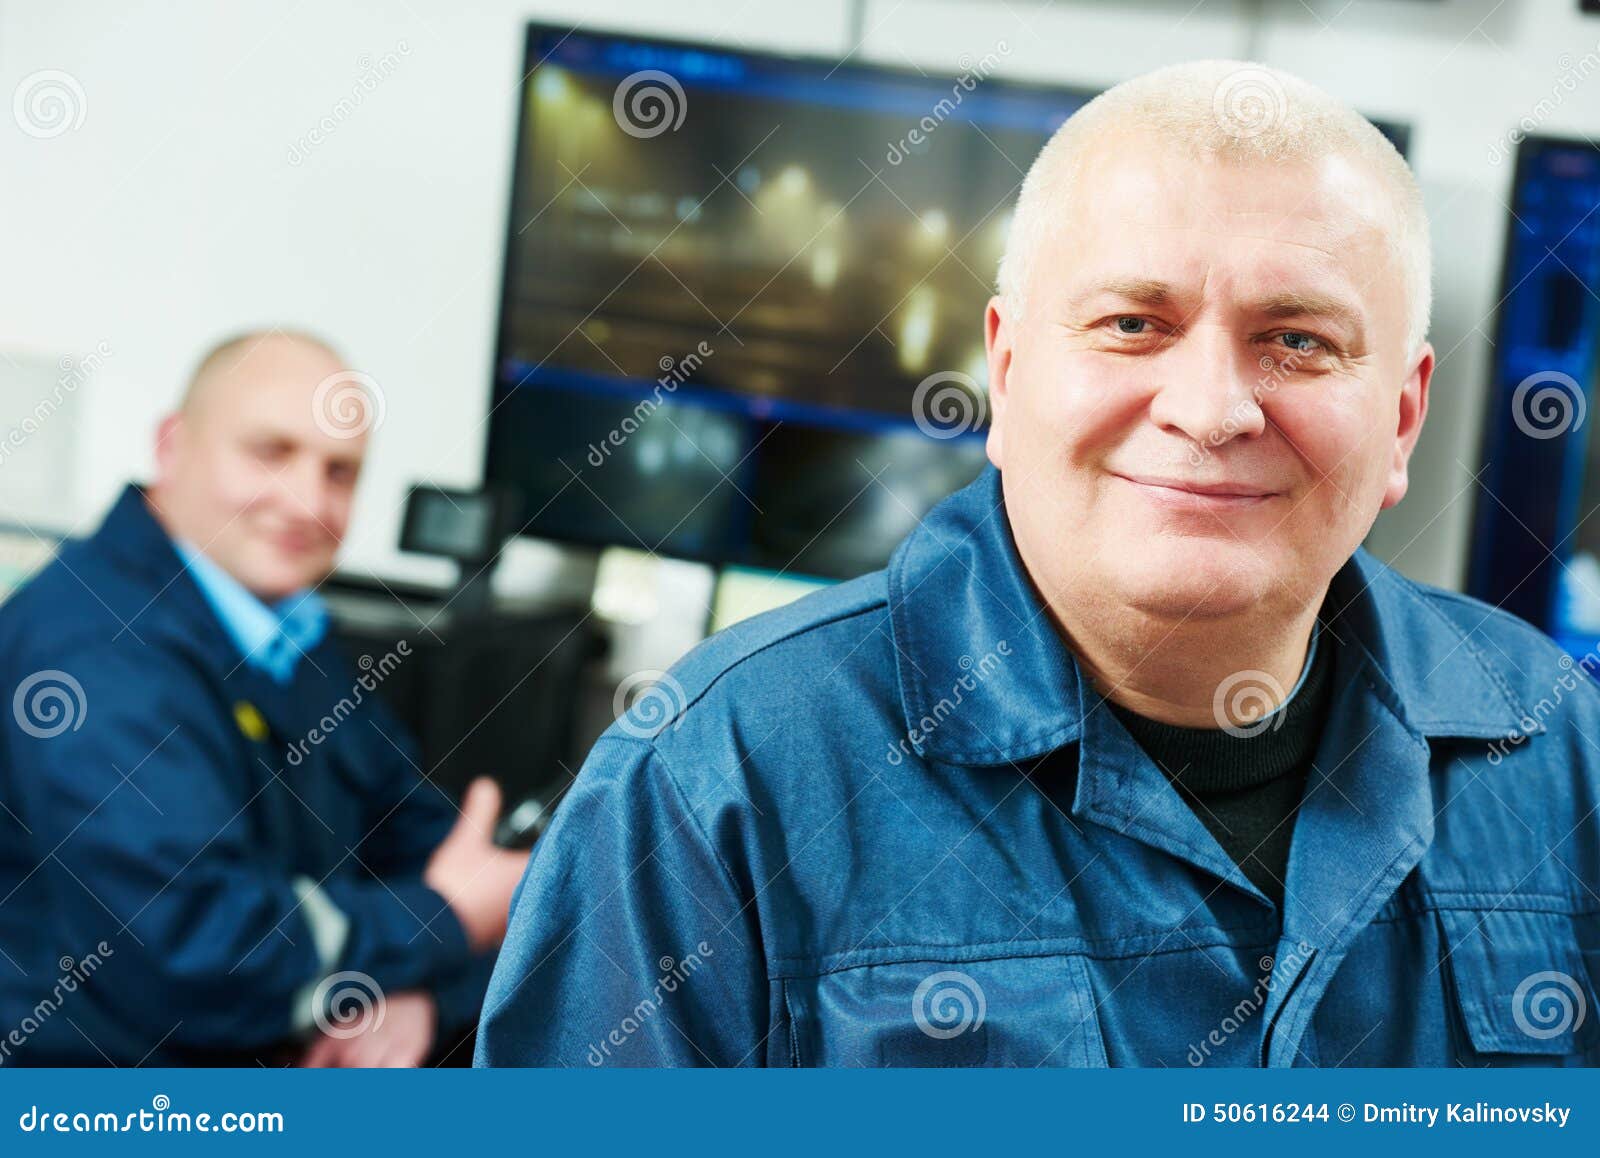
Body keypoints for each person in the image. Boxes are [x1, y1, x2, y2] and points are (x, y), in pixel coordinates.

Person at [477, 61, 1600, 1067]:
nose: (1210, 411)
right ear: (1007, 376)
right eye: (1131, 324)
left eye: (1296, 340)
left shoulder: (1559, 748)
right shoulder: (713, 784)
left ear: (1401, 421)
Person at [0, 330, 527, 1066]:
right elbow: (201, 952)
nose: (309, 501)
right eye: (270, 452)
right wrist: (441, 923)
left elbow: (445, 853)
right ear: (172, 444)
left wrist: (417, 993)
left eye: (340, 471)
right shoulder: (92, 649)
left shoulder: (287, 634)